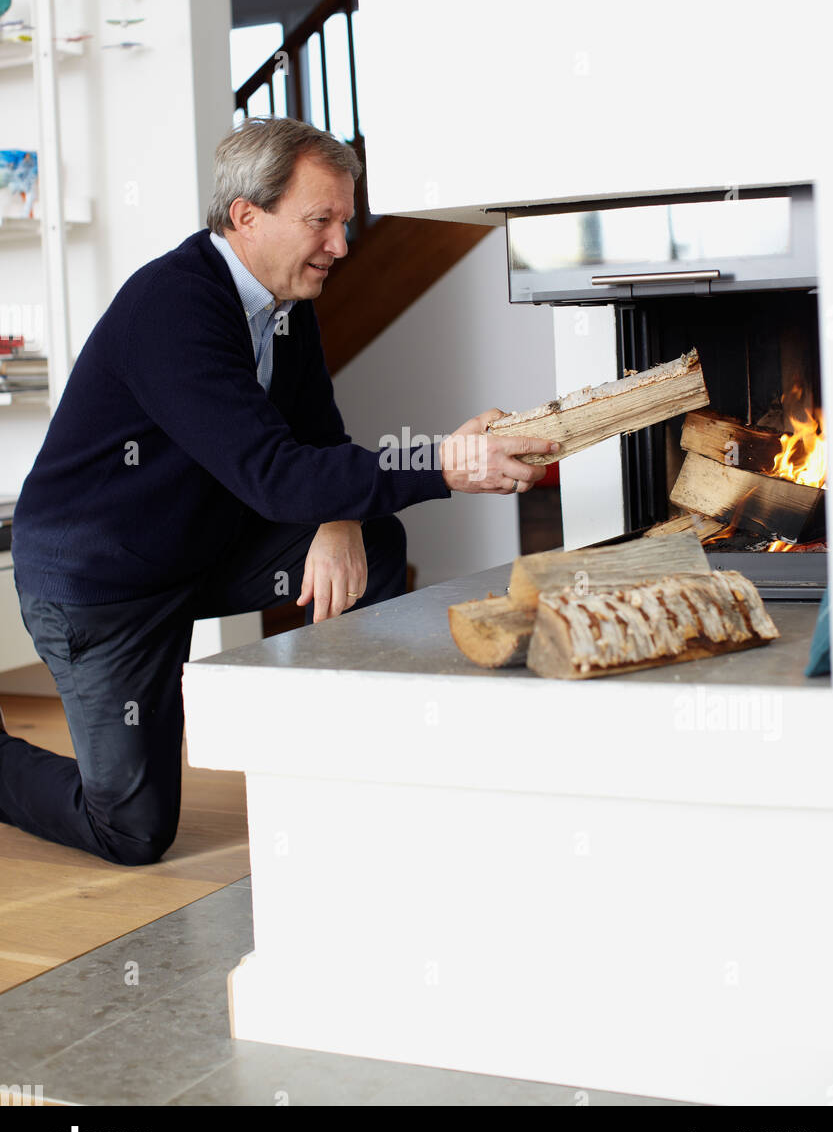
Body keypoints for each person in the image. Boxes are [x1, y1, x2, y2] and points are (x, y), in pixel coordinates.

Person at [0, 117, 557, 867]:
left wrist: (339, 515)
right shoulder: (172, 306)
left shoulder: (287, 308)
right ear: (245, 216)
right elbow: (273, 473)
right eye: (320, 221)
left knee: (375, 540)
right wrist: (449, 463)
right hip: (102, 582)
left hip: (197, 551)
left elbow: (319, 447)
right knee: (131, 832)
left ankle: (354, 766)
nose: (341, 244)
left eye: (345, 222)